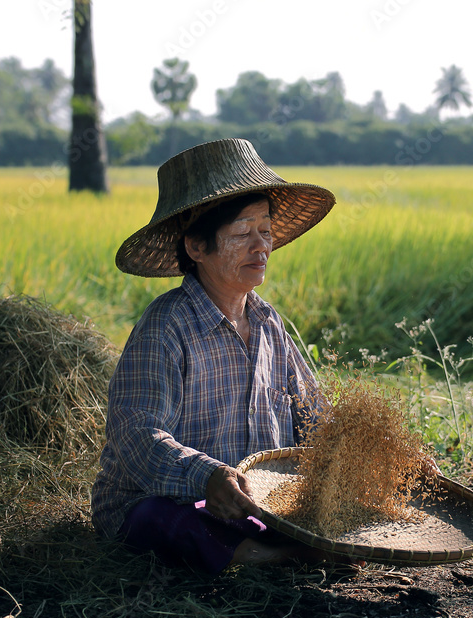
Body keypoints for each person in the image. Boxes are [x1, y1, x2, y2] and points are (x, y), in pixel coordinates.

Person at [91, 138, 336, 575]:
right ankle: (267, 560)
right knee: (162, 519)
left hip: (255, 503)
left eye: (266, 229)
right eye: (242, 233)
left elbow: (312, 415)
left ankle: (277, 547)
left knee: (322, 514)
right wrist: (206, 475)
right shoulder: (167, 327)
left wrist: (365, 454)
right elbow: (136, 435)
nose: (261, 246)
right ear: (196, 247)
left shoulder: (267, 324)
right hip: (176, 500)